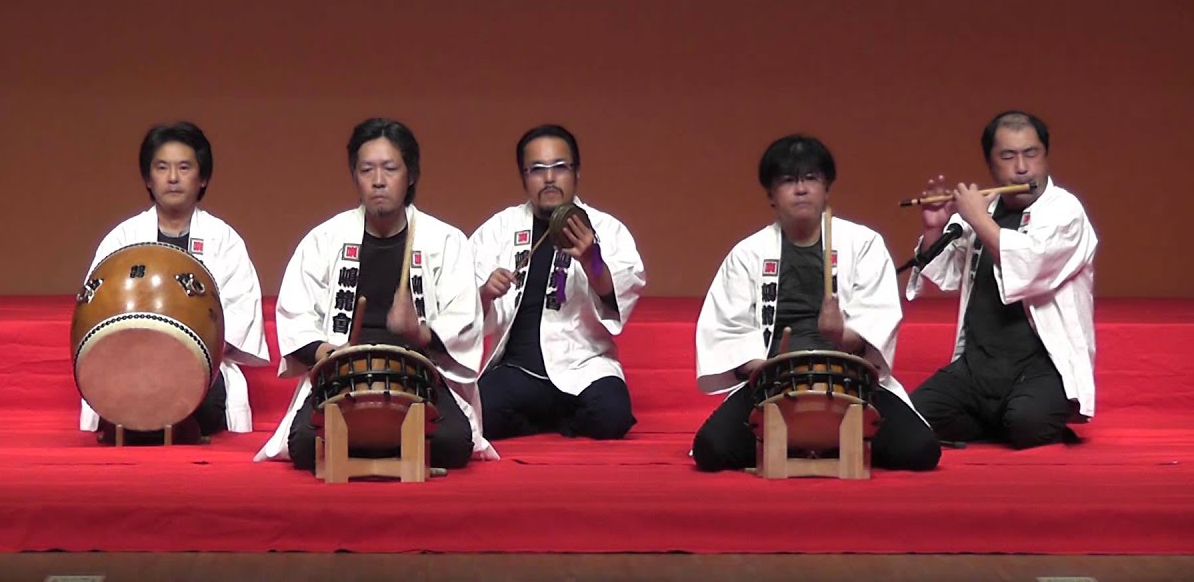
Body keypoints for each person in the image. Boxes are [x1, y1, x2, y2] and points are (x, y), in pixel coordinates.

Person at [254, 118, 495, 469]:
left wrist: (418, 332)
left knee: (454, 443)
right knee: (305, 444)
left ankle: (363, 446)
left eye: (390, 169)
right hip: (344, 377)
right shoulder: (325, 240)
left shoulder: (444, 241)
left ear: (410, 175)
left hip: (416, 377)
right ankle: (391, 446)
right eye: (367, 170)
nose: (378, 181)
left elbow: (464, 321)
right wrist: (329, 351)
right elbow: (297, 315)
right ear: (355, 176)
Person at [691, 134, 939, 472]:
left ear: (827, 188)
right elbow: (727, 328)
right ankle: (824, 442)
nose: (801, 189)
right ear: (771, 195)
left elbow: (877, 321)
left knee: (920, 450)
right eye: (788, 181)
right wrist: (759, 367)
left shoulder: (863, 244)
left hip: (850, 379)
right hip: (775, 382)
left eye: (811, 178)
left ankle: (812, 441)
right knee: (711, 450)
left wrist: (841, 335)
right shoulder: (747, 254)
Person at [907, 111, 1098, 448]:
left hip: (1041, 364)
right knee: (913, 418)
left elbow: (1031, 265)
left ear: (1045, 156)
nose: (1022, 167)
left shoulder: (1065, 211)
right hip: (979, 364)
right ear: (991, 164)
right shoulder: (987, 209)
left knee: (1026, 426)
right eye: (1008, 156)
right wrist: (935, 227)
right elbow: (948, 275)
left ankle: (1015, 414)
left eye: (1032, 154)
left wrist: (979, 219)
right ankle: (995, 416)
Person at [79, 121, 269, 440]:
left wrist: (181, 348)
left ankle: (148, 429)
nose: (173, 178)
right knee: (127, 387)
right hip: (130, 361)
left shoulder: (224, 240)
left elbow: (240, 314)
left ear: (203, 177)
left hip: (199, 368)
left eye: (184, 167)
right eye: (162, 167)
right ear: (148, 179)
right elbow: (92, 308)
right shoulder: (123, 238)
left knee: (201, 401)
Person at [470, 124, 646, 441]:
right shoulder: (499, 229)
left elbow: (622, 295)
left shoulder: (606, 228)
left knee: (612, 416)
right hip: (517, 369)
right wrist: (485, 293)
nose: (549, 178)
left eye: (559, 167)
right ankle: (551, 422)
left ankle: (543, 420)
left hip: (584, 365)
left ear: (576, 172)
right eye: (537, 169)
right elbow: (465, 302)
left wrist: (592, 261)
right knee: (480, 413)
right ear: (523, 177)